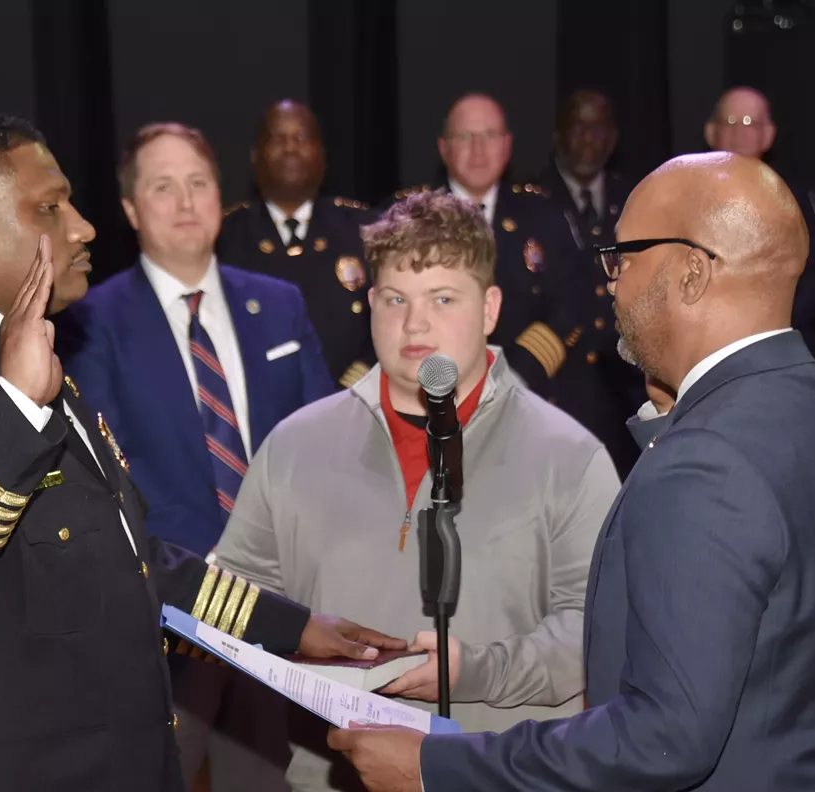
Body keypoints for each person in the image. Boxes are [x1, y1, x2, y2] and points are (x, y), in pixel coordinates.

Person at [0, 110, 403, 792]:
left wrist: (290, 626)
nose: (83, 227)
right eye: (50, 207)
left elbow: (130, 559)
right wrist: (12, 408)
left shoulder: (30, 355)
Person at [329, 152, 815, 791]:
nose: (610, 284)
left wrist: (436, 765)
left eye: (622, 259)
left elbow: (664, 741)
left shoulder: (706, 459)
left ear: (693, 273)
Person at [215, 189, 620, 791]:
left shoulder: (569, 456)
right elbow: (236, 604)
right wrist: (287, 644)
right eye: (396, 299)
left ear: (489, 309)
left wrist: (473, 672)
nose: (415, 323)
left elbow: (595, 633)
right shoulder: (294, 446)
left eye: (443, 299)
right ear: (371, 304)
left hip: (502, 777)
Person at [54, 121, 336, 790]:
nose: (184, 202)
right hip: (171, 617)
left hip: (280, 604)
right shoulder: (93, 321)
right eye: (162, 187)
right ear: (129, 209)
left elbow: (325, 446)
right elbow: (103, 479)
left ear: (221, 196)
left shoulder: (280, 304)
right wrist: (200, 586)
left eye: (198, 184)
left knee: (273, 781)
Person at [394, 93, 581, 402]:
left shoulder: (544, 218)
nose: (478, 150)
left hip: (526, 394)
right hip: (429, 396)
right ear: (443, 148)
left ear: (507, 145)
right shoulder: (408, 219)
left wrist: (517, 373)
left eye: (489, 136)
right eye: (465, 137)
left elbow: (570, 302)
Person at [218, 99, 378, 389]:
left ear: (322, 155)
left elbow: (391, 310)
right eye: (278, 138)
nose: (291, 147)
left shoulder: (362, 229)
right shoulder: (225, 236)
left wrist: (360, 378)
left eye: (302, 138)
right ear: (255, 155)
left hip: (350, 403)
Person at [534, 89, 645, 477]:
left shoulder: (636, 199)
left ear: (612, 139)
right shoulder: (533, 202)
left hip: (625, 391)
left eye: (597, 128)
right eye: (577, 127)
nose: (587, 138)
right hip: (558, 386)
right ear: (558, 135)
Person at [705, 86, 815, 362]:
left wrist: (766, 331)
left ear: (769, 135)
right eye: (730, 122)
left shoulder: (794, 200)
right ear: (710, 132)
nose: (739, 133)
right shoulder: (683, 196)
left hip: (778, 347)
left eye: (750, 123)